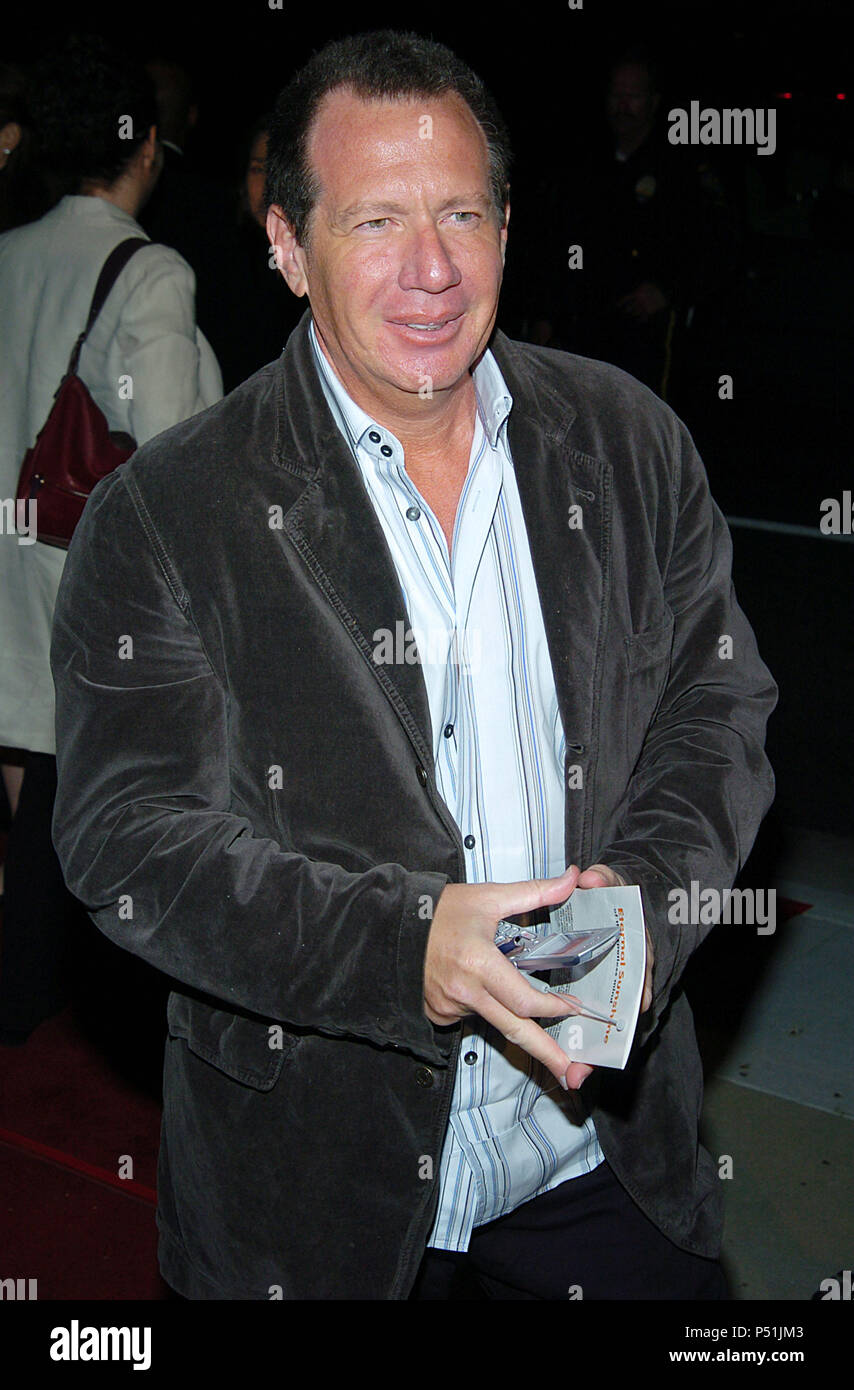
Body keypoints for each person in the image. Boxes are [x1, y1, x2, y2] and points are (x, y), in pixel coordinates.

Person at [50, 30, 776, 1299]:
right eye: (375, 221)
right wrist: (402, 951)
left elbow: (716, 705)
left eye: (460, 214)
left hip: (595, 1156)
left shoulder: (626, 442)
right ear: (285, 243)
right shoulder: (170, 511)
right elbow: (126, 839)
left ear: (506, 225)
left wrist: (643, 912)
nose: (430, 268)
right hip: (323, 1207)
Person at [0, 35, 222, 1041]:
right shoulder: (147, 271)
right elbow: (168, 451)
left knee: (21, 832)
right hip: (68, 589)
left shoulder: (7, 253)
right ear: (143, 151)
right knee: (71, 857)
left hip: (3, 570)